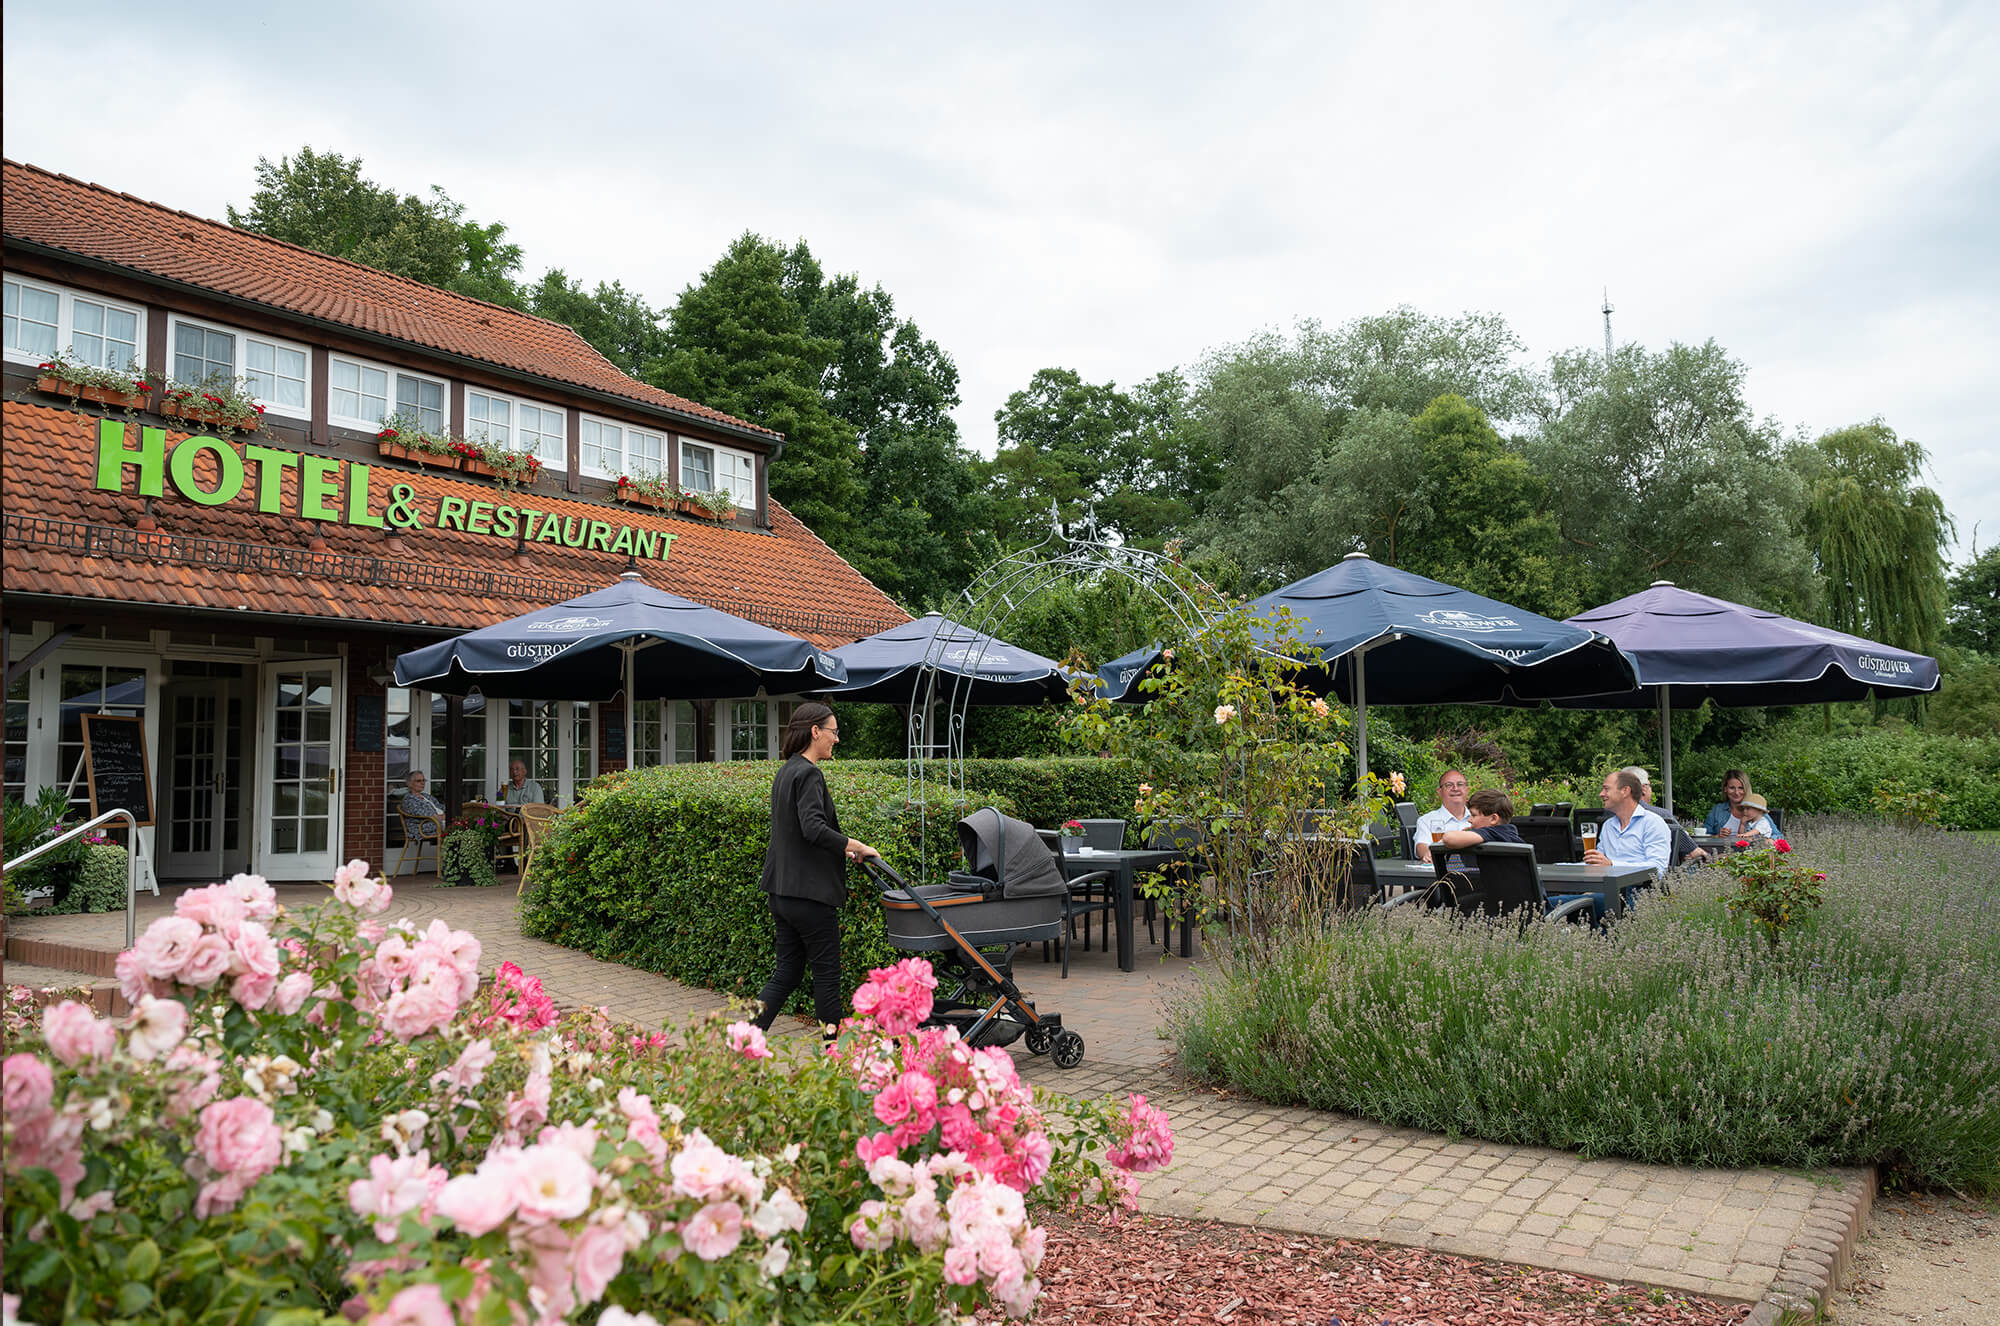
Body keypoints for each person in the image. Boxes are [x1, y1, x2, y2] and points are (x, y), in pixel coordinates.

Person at [751, 703, 880, 1041]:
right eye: (834, 732)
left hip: (781, 892)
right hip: (809, 896)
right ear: (815, 731)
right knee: (826, 976)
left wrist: (839, 848)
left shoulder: (786, 771)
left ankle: (744, 1038)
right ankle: (833, 1054)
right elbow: (813, 828)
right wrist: (855, 845)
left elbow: (798, 834)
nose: (836, 739)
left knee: (786, 972)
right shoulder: (809, 773)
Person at [1584, 769, 1671, 874]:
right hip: (1607, 887)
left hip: (1638, 889)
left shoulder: (1652, 823)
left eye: (1606, 789)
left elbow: (1658, 868)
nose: (1601, 794)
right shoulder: (1608, 825)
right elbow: (1598, 862)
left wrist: (1612, 865)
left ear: (1625, 791)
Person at [1622, 765, 1707, 867]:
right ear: (1643, 789)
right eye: (1649, 785)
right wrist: (1709, 857)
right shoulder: (1660, 815)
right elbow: (1692, 853)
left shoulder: (1609, 815)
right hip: (1653, 876)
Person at [1413, 770, 1473, 863]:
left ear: (1467, 790)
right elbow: (1421, 845)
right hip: (1443, 874)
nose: (1455, 788)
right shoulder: (1427, 820)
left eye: (1460, 784)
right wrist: (1426, 854)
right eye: (1449, 785)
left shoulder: (1480, 818)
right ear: (1440, 792)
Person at [1435, 789, 1523, 849]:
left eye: (1473, 815)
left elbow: (1449, 838)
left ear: (1493, 819)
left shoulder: (1493, 833)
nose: (1469, 820)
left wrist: (1466, 833)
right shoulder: (1509, 834)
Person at [399, 771, 446, 838]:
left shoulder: (426, 796)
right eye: (419, 781)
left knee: (460, 822)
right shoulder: (409, 800)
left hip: (438, 821)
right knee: (457, 825)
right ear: (410, 783)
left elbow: (440, 807)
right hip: (423, 826)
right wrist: (445, 817)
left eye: (424, 780)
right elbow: (427, 814)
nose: (422, 783)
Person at [1704, 770, 1752, 835]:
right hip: (1723, 845)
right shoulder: (1717, 810)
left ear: (1746, 789)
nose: (1736, 792)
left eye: (1741, 788)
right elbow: (1703, 835)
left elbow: (1770, 835)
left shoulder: (1757, 808)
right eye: (1732, 788)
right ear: (1725, 789)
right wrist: (1717, 836)